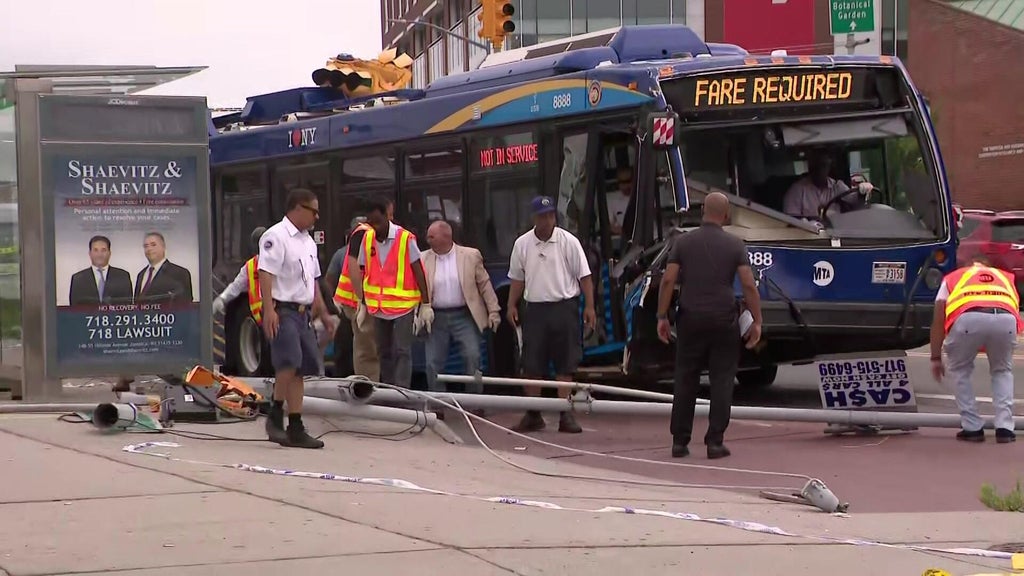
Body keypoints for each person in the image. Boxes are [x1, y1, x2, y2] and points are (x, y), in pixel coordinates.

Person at [656, 192, 763, 460]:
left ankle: (679, 441)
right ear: (726, 215)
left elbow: (668, 280)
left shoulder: (682, 242)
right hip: (723, 319)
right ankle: (715, 442)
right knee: (722, 380)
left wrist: (662, 316)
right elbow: (748, 285)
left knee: (685, 378)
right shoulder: (735, 245)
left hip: (690, 317)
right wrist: (757, 320)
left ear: (703, 210)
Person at [507, 195, 596, 434]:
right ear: (534, 218)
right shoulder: (522, 244)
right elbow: (517, 278)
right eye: (542, 216)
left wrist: (590, 307)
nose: (547, 220)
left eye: (550, 215)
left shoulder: (568, 241)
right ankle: (533, 414)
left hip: (563, 307)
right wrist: (511, 304)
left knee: (565, 364)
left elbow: (584, 276)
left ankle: (565, 414)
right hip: (535, 309)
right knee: (532, 364)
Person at [258, 188, 335, 449]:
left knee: (302, 368)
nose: (317, 217)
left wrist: (323, 312)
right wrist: (269, 310)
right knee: (288, 361)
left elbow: (313, 279)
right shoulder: (276, 236)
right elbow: (266, 273)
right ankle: (275, 413)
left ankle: (295, 425)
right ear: (298, 208)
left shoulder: (308, 242)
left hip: (303, 313)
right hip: (283, 309)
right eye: (314, 211)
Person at [930, 255, 1021, 444]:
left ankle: (972, 427)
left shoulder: (954, 278)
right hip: (1006, 320)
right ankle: (1005, 428)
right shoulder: (1005, 278)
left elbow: (938, 321)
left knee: (960, 370)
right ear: (989, 267)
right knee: (1002, 370)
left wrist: (936, 357)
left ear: (967, 266)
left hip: (968, 319)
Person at [347, 196, 432, 388]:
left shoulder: (405, 238)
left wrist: (426, 304)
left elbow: (419, 271)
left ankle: (401, 391)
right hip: (378, 308)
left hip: (403, 307)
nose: (375, 227)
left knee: (402, 350)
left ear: (388, 216)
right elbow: (363, 271)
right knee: (382, 351)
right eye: (371, 223)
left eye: (378, 221)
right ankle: (387, 389)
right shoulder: (368, 238)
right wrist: (362, 303)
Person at [421, 220, 501, 400]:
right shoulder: (422, 258)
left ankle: (474, 400)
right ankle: (439, 403)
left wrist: (493, 311)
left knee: (472, 356)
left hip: (464, 316)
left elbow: (484, 284)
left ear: (446, 237)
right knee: (432, 362)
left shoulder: (471, 255)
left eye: (431, 237)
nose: (427, 240)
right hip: (435, 317)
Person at [329, 216, 379, 381]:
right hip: (359, 303)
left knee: (359, 348)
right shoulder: (365, 236)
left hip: (351, 304)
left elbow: (330, 279)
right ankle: (368, 386)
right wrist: (362, 300)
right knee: (366, 350)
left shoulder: (342, 251)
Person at [782, 151, 874, 222]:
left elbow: (855, 201)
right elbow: (790, 221)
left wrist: (863, 191)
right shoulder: (796, 190)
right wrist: (804, 223)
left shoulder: (837, 186)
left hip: (837, 233)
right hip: (809, 237)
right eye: (816, 166)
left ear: (829, 167)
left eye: (823, 165)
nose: (820, 170)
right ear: (810, 168)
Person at [212, 226, 267, 320]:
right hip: (261, 321)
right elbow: (236, 286)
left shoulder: (280, 262)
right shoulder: (250, 266)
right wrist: (222, 298)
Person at [69, 235, 133, 305]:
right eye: (95, 250)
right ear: (90, 253)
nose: (99, 255)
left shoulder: (123, 276)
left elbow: (128, 305)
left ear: (109, 253)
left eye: (103, 250)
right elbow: (74, 307)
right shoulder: (78, 279)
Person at [134, 232, 194, 304]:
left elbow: (185, 302)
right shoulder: (141, 274)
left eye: (153, 245)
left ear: (163, 247)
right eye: (146, 246)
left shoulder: (180, 273)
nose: (149, 249)